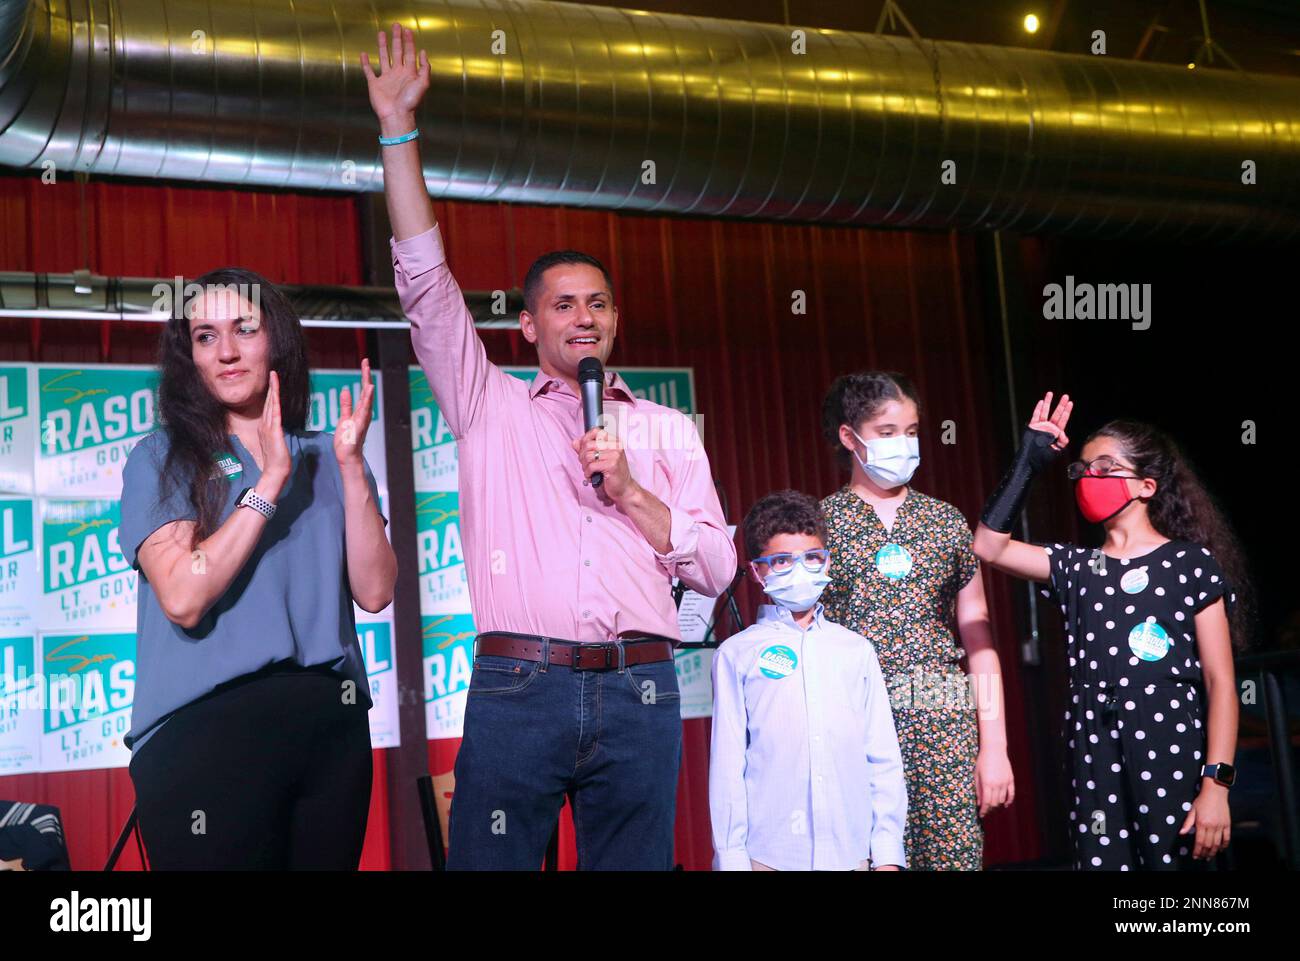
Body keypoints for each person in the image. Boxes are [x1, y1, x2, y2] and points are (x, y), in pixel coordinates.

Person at [362, 24, 736, 870]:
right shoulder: (486, 400)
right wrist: (397, 131)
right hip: (517, 689)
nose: (584, 317)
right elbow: (424, 279)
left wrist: (636, 493)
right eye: (563, 305)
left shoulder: (665, 430)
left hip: (643, 685)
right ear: (529, 324)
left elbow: (715, 566)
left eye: (598, 303)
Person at [119, 268, 395, 869]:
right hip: (205, 735)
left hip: (330, 726)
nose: (226, 351)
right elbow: (186, 595)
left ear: (277, 340)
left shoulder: (331, 452)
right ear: (186, 354)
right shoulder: (161, 458)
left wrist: (351, 467)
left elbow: (375, 592)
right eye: (205, 336)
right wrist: (268, 483)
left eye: (244, 329)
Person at [974, 392, 1246, 870]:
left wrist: (1216, 784)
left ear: (1145, 485)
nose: (1088, 478)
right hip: (1094, 752)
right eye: (1082, 469)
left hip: (1171, 748)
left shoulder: (1188, 563)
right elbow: (989, 546)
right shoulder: (1078, 566)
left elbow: (1221, 682)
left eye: (1105, 467)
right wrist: (1029, 462)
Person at [819, 371, 1014, 870]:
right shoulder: (821, 525)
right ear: (850, 437)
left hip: (942, 722)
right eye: (887, 433)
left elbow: (979, 637)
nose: (903, 445)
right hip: (855, 724)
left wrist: (994, 747)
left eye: (911, 432)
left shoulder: (945, 520)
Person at [710, 490, 906, 871]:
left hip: (853, 855)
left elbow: (882, 756)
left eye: (813, 557)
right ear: (756, 571)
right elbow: (728, 767)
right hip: (769, 857)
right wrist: (733, 859)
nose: (800, 569)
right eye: (782, 561)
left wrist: (886, 854)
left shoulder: (855, 650)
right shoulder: (736, 655)